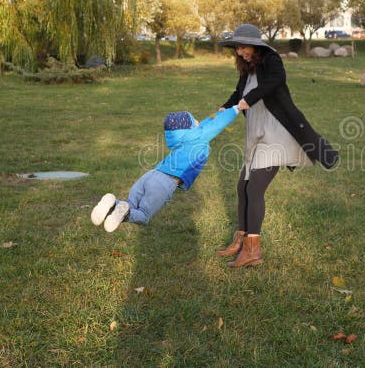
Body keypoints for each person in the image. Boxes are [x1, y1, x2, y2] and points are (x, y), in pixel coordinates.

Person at [216, 23, 339, 268]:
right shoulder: (247, 69)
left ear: (255, 44)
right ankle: (241, 241)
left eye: (243, 47)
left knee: (254, 190)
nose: (240, 52)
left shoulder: (271, 60)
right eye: (237, 48)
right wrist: (225, 107)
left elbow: (275, 81)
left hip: (276, 135)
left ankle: (253, 251)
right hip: (257, 134)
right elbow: (238, 93)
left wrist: (247, 101)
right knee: (243, 187)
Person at [91, 107, 240, 232]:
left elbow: (205, 124)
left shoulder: (182, 138)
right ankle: (122, 211)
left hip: (151, 174)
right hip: (165, 183)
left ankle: (112, 202)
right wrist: (235, 109)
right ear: (189, 129)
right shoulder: (197, 138)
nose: (198, 121)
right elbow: (216, 125)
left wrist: (220, 110)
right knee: (143, 215)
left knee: (130, 202)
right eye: (193, 120)